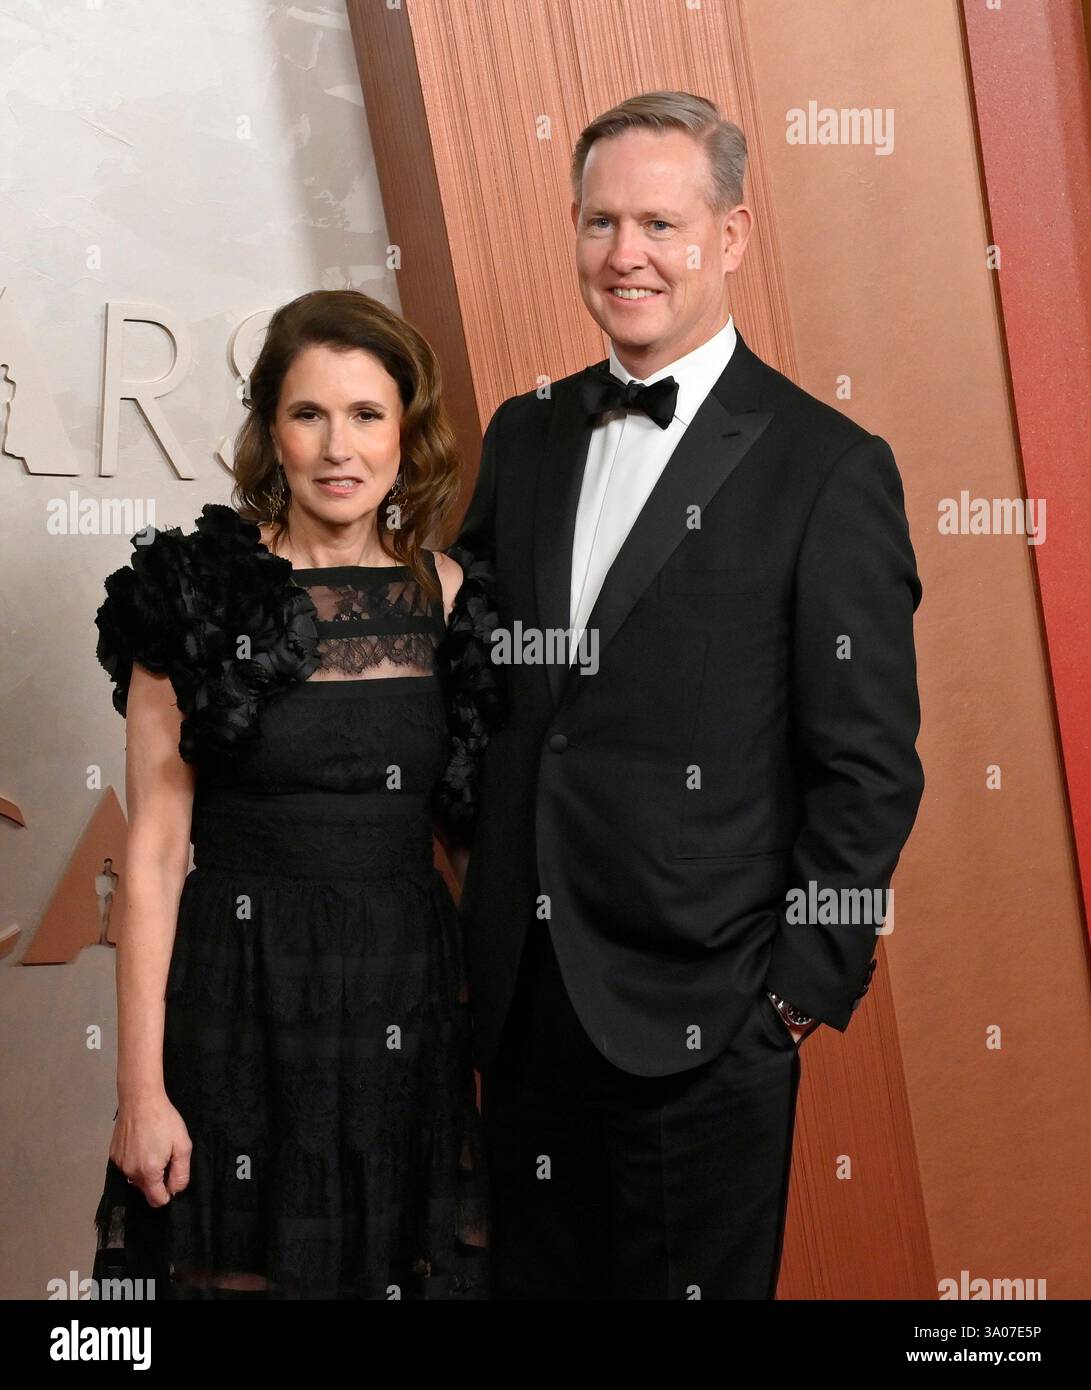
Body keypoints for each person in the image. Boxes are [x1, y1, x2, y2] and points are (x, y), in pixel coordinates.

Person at [447, 90, 925, 1299]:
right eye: (599, 223)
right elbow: (487, 691)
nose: (625, 257)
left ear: (731, 235)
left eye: (659, 224)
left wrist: (796, 988)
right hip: (524, 1004)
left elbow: (867, 763)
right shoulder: (526, 432)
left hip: (709, 1015)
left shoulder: (829, 469)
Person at [90, 288, 491, 1300]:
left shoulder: (451, 599)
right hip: (239, 1000)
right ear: (271, 430)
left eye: (366, 415)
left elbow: (464, 841)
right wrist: (140, 1090)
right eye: (308, 414)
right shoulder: (191, 593)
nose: (337, 447)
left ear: (407, 433)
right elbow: (151, 858)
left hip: (406, 1008)